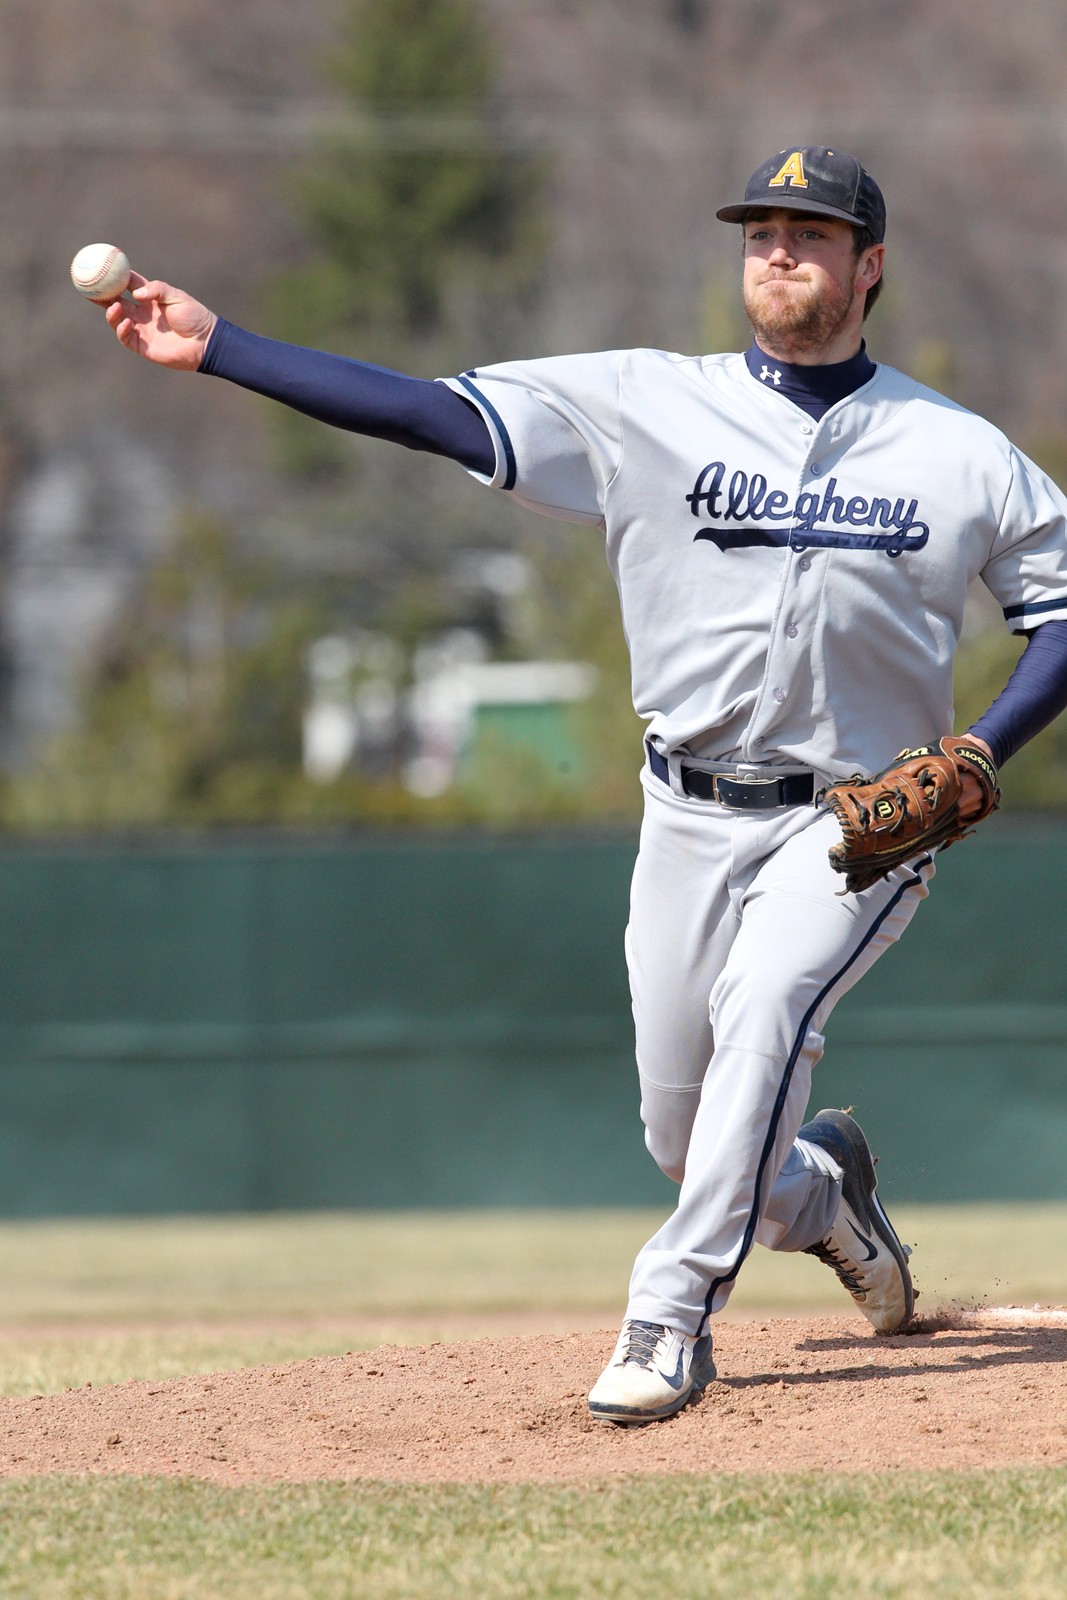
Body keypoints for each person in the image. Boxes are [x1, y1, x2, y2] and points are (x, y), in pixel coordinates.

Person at [104, 145, 1067, 1427]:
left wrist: (981, 750)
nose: (778, 252)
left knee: (767, 1007)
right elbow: (428, 412)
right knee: (684, 1136)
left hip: (855, 825)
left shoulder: (957, 451)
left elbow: (1059, 611)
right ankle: (823, 1198)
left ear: (867, 265)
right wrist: (223, 345)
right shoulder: (643, 404)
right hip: (684, 812)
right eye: (760, 233)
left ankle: (668, 1315)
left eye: (810, 234)